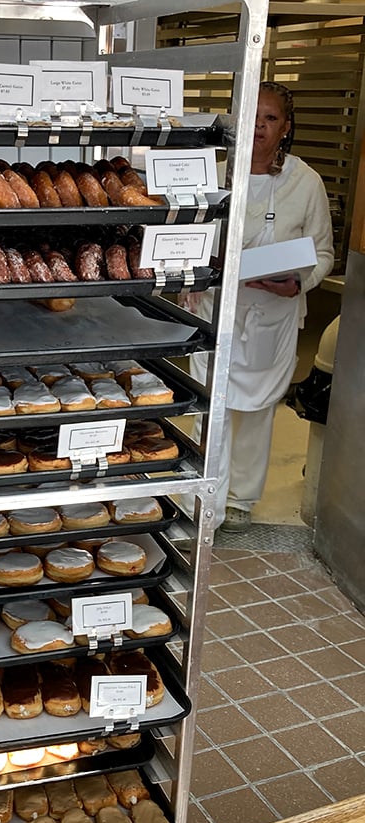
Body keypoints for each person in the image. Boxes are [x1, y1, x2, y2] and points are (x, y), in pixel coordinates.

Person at [188, 81, 334, 532]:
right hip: (216, 309)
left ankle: (241, 500)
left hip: (273, 315)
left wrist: (299, 282)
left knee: (256, 413)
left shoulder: (305, 182)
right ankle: (207, 495)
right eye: (253, 115)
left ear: (285, 128)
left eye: (271, 119)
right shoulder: (209, 174)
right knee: (212, 408)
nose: (259, 127)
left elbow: (324, 253)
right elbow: (182, 235)